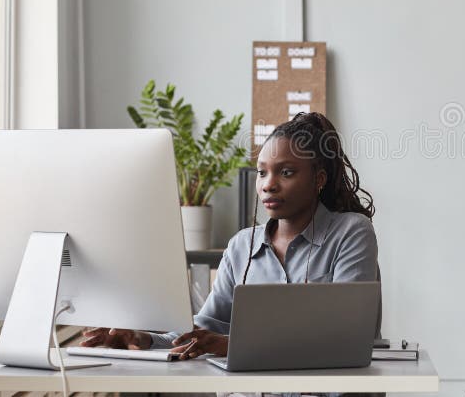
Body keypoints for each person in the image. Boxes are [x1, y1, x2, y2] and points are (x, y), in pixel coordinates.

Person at [80, 112, 379, 359]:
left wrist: (231, 344)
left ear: (319, 180)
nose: (268, 185)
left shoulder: (350, 232)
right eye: (262, 173)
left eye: (286, 173)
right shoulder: (241, 246)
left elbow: (345, 332)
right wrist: (143, 339)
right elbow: (205, 327)